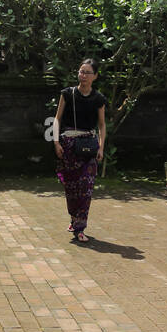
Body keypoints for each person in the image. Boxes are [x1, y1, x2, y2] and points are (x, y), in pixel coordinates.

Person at [52, 59, 107, 243]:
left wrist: (101, 146)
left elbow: (102, 124)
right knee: (72, 187)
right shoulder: (67, 94)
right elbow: (57, 118)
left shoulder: (98, 98)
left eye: (87, 72)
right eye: (81, 71)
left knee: (86, 187)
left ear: (95, 76)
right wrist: (56, 141)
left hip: (89, 147)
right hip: (69, 145)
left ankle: (80, 228)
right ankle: (74, 218)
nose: (83, 75)